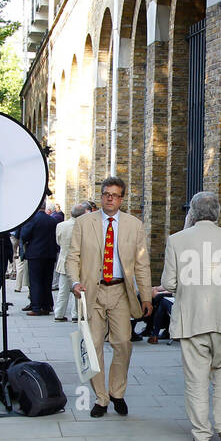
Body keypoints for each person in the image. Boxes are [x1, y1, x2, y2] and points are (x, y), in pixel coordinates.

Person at [161, 191, 221, 441]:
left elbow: (168, 282)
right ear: (217, 212)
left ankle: (202, 433)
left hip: (192, 320)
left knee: (196, 378)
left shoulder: (176, 240)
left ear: (191, 212)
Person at [68, 175, 153, 416]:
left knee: (123, 344)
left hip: (120, 292)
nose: (110, 199)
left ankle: (117, 392)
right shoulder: (84, 223)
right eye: (106, 194)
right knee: (94, 345)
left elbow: (141, 264)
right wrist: (75, 282)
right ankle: (101, 398)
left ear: (122, 199)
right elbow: (73, 256)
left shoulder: (133, 225)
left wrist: (145, 296)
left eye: (115, 195)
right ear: (101, 196)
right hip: (92, 292)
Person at [21, 200, 59, 316]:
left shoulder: (32, 219)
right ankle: (47, 305)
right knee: (47, 281)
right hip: (50, 254)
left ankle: (36, 306)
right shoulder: (52, 220)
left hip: (36, 254)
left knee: (36, 281)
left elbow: (24, 235)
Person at [53, 202, 86, 321]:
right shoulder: (84, 227)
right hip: (79, 262)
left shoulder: (61, 225)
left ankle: (59, 314)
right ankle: (76, 314)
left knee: (63, 290)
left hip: (64, 261)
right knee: (78, 290)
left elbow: (58, 241)